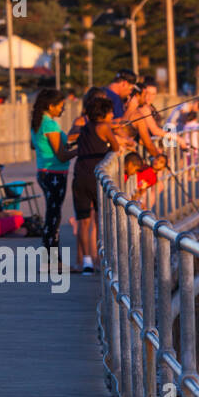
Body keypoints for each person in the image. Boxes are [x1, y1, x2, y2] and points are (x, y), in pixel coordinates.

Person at [68, 92, 124, 274]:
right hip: (96, 177)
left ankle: (87, 262)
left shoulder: (84, 127)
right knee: (101, 220)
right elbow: (115, 147)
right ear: (104, 114)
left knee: (83, 221)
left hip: (80, 176)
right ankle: (101, 259)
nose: (113, 116)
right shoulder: (104, 127)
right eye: (111, 113)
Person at [30, 88, 73, 250]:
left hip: (44, 172)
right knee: (53, 217)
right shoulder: (50, 124)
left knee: (52, 214)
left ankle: (51, 260)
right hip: (54, 173)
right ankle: (51, 260)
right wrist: (82, 149)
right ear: (50, 106)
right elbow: (61, 156)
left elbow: (34, 145)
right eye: (61, 105)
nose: (63, 109)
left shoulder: (39, 122)